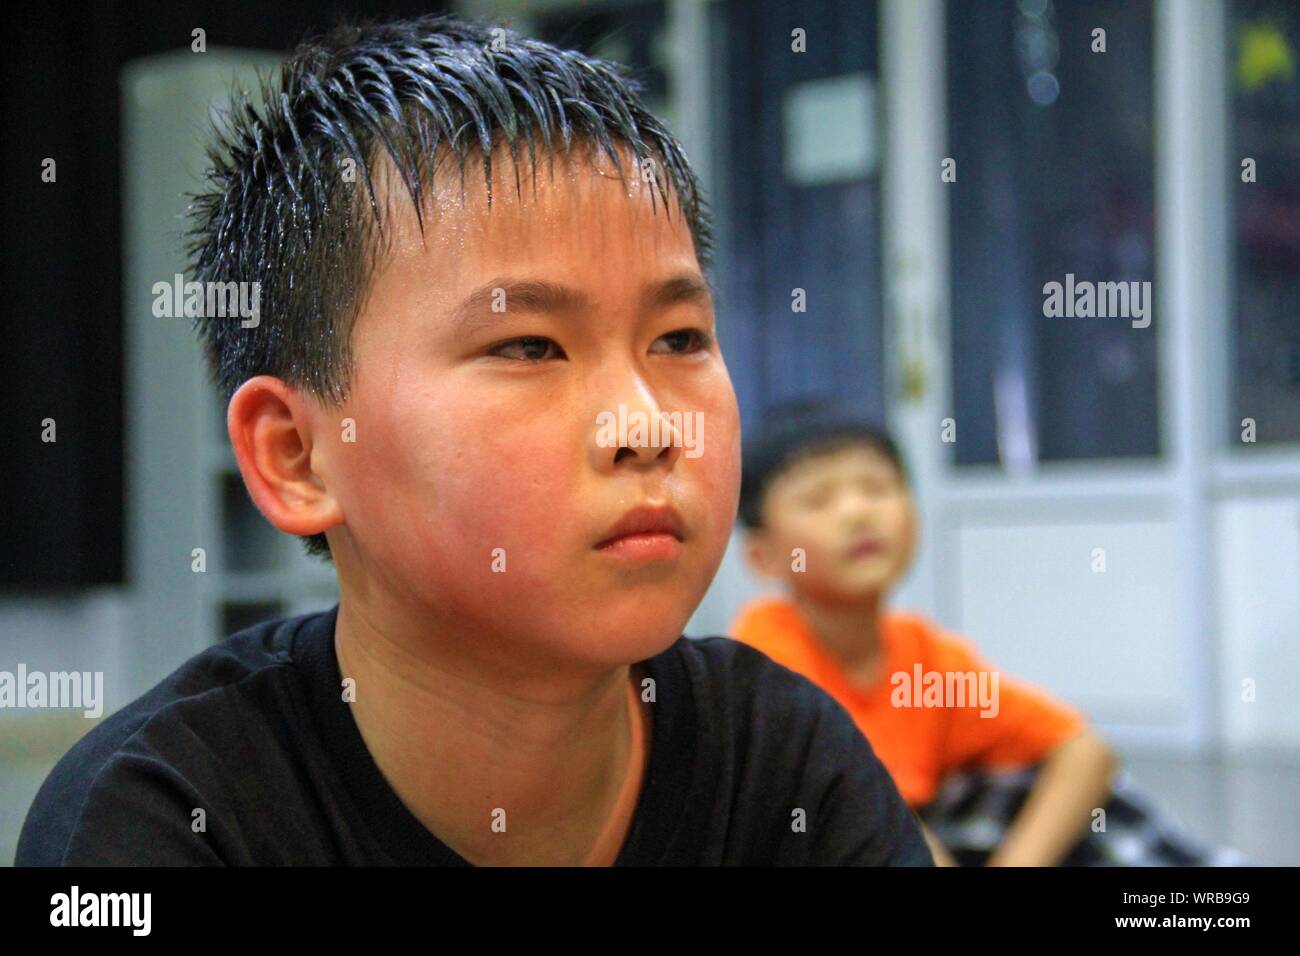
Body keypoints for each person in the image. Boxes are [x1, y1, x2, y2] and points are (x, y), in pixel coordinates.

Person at [16, 16, 931, 866]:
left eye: (680, 339)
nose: (649, 427)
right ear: (297, 456)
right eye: (529, 346)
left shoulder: (784, 765)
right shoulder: (165, 820)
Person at [731, 398, 1121, 866]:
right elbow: (865, 808)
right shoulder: (765, 658)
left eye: (877, 488)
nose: (858, 512)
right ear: (762, 556)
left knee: (1091, 806)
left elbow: (1083, 752)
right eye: (818, 500)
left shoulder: (924, 657)